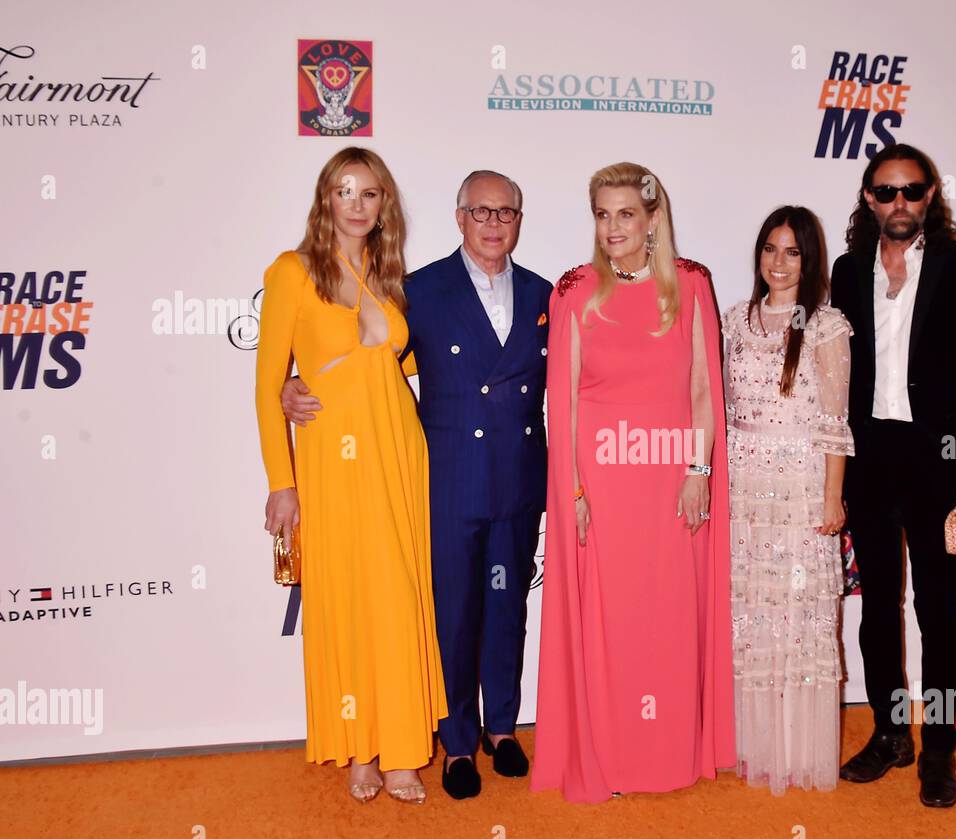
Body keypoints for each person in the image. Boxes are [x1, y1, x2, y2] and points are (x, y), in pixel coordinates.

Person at [281, 169, 551, 801]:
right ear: (459, 217)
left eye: (505, 213)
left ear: (518, 222)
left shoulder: (544, 295)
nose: (492, 223)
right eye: (479, 211)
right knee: (453, 612)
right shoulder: (417, 289)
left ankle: (502, 728)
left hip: (516, 477)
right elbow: (382, 358)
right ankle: (457, 740)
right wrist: (299, 383)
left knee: (507, 607)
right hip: (446, 477)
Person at [531, 162, 734, 803]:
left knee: (668, 617)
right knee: (609, 624)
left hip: (673, 480)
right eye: (602, 214)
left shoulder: (692, 285)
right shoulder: (574, 291)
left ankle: (669, 751)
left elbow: (704, 387)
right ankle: (609, 756)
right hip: (603, 485)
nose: (613, 227)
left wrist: (699, 470)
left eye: (626, 214)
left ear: (652, 220)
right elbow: (557, 405)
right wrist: (573, 493)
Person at [255, 146, 447, 805]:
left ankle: (400, 754)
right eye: (344, 192)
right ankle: (359, 750)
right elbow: (264, 384)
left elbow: (402, 363)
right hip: (331, 459)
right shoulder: (291, 272)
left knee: (396, 596)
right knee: (347, 596)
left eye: (370, 193)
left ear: (383, 203)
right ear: (325, 200)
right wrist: (282, 480)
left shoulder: (392, 276)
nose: (357, 205)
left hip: (397, 449)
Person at [831, 144, 956, 808]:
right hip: (869, 462)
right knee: (878, 611)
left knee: (937, 612)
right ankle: (889, 733)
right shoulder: (847, 272)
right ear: (868, 200)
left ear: (930, 195)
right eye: (884, 192)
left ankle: (938, 752)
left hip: (941, 464)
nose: (898, 203)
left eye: (910, 190)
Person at [722, 206, 854, 796]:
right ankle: (752, 746)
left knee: (800, 619)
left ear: (810, 260)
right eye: (770, 250)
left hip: (801, 486)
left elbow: (834, 421)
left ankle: (799, 751)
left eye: (792, 252)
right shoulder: (732, 321)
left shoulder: (827, 326)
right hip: (744, 488)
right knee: (751, 617)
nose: (778, 263)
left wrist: (833, 498)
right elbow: (719, 410)